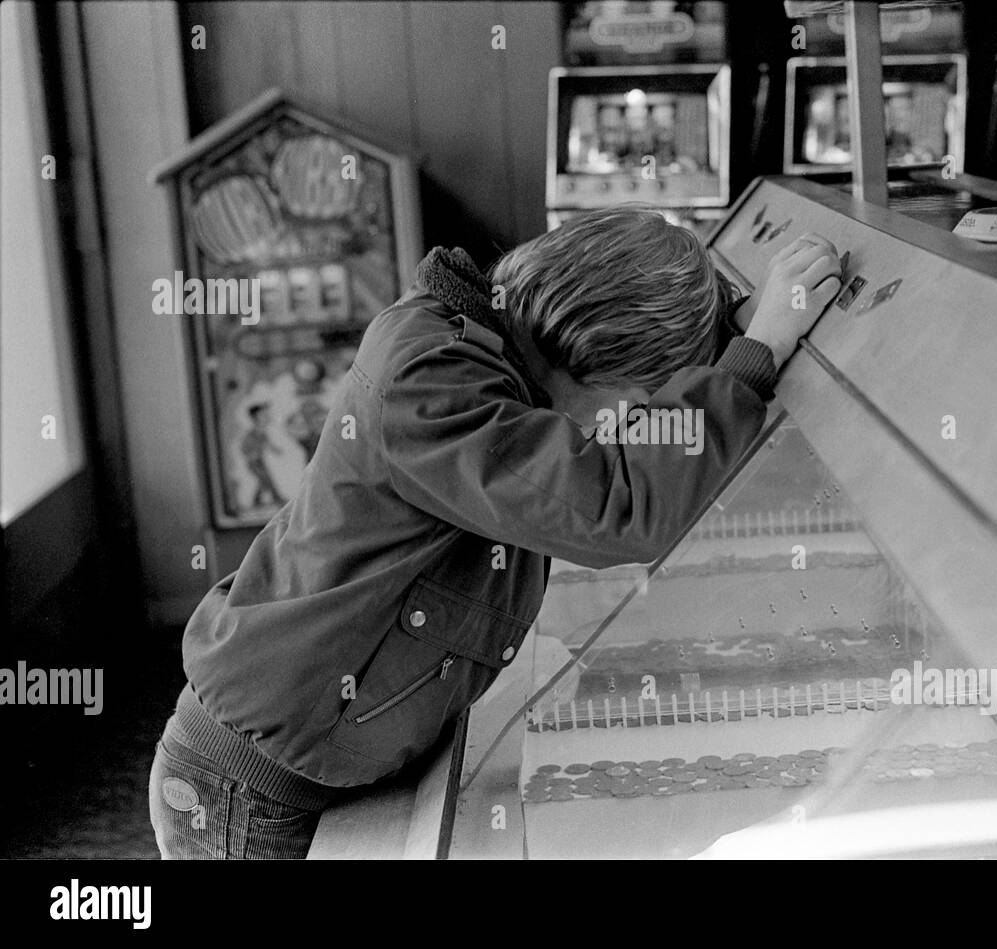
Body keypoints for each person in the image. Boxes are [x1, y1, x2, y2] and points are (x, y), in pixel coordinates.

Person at [148, 205, 842, 858]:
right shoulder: (435, 380)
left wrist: (730, 338)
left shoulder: (471, 354)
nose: (618, 427)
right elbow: (616, 510)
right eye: (631, 404)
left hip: (301, 764)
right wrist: (757, 352)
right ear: (592, 349)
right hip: (247, 795)